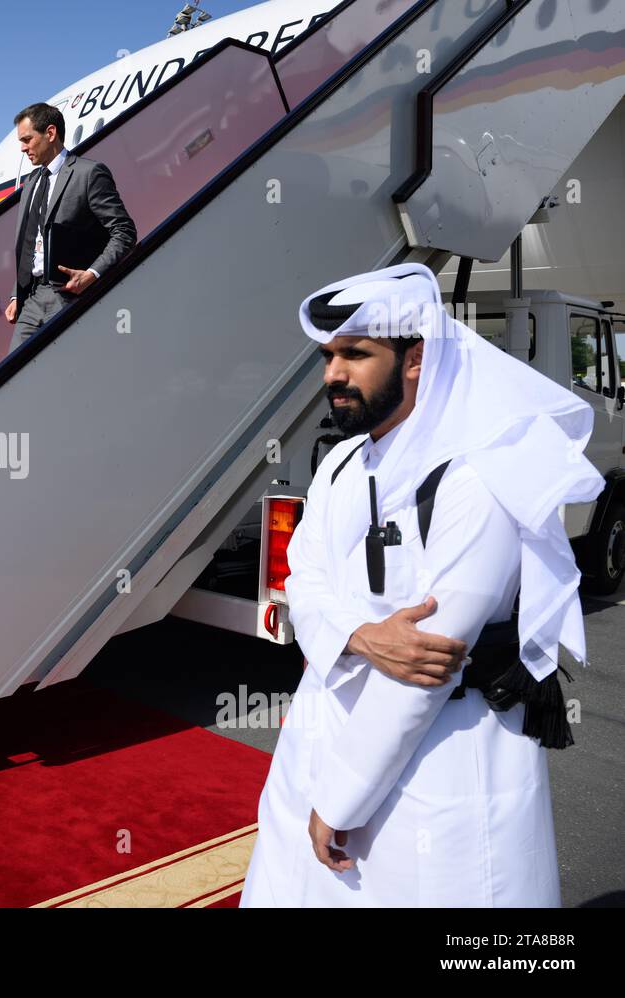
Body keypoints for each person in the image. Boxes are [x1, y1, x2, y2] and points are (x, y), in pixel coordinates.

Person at [240, 263, 603, 907]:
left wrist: (342, 797)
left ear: (416, 357)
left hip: (442, 757)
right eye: (329, 356)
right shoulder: (345, 464)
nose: (333, 374)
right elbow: (305, 573)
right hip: (324, 739)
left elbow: (427, 664)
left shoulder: (479, 477)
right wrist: (360, 635)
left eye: (356, 354)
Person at [4, 102, 136, 355]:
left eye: (27, 139)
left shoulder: (89, 173)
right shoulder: (31, 183)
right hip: (31, 299)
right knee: (10, 379)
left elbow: (124, 231)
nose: (22, 148)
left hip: (69, 296)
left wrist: (92, 274)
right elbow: (30, 244)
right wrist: (15, 295)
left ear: (50, 133)